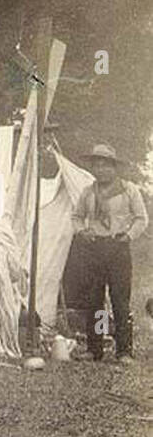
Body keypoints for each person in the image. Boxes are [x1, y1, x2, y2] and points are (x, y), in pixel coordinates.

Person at [71, 144, 148, 363]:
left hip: (118, 248)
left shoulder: (128, 189)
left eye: (106, 165)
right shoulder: (88, 192)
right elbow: (76, 216)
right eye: (97, 165)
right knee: (95, 300)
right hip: (95, 248)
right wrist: (82, 231)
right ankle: (95, 349)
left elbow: (141, 218)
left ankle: (124, 350)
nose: (101, 169)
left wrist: (129, 236)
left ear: (114, 168)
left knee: (120, 300)